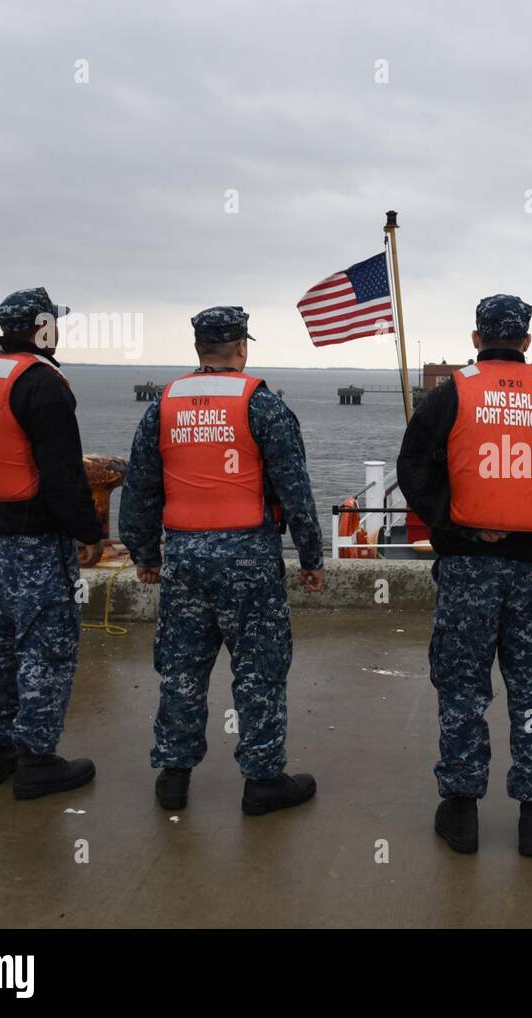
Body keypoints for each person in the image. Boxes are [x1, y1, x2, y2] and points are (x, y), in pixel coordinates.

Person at [396, 294, 532, 857]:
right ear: (527, 342)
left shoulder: (450, 395)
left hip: (467, 568)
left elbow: (412, 464)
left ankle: (461, 813)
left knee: (462, 688)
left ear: (477, 338)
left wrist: (450, 521)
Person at [119, 306, 324, 816]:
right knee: (259, 669)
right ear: (242, 348)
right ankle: (262, 780)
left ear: (197, 350)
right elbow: (295, 489)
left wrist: (145, 552)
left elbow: (140, 489)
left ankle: (174, 775)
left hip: (185, 558)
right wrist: (311, 557)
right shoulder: (263, 406)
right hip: (248, 557)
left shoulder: (161, 408)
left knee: (182, 668)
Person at [0, 287, 103, 798]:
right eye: (54, 323)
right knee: (45, 649)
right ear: (40, 328)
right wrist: (88, 532)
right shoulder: (42, 384)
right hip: (35, 542)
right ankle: (36, 760)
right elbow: (62, 475)